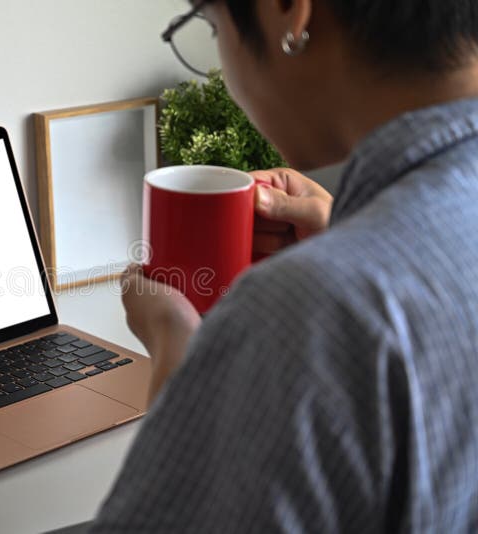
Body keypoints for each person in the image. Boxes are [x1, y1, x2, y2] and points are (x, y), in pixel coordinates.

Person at [89, 0, 478, 532]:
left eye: (209, 24)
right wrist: (353, 231)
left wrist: (177, 351)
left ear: (290, 12)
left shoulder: (314, 310)